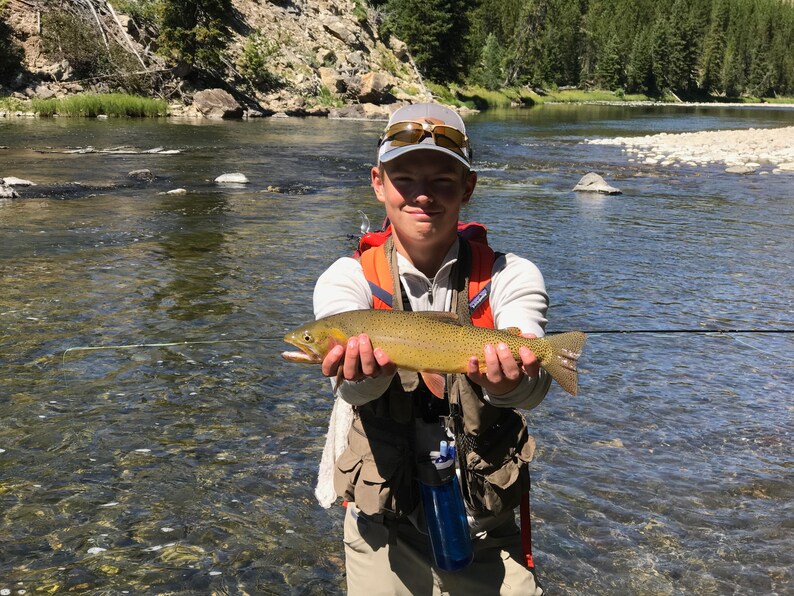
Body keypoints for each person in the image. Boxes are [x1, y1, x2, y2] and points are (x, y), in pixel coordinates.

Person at [312, 102, 549, 595]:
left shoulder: (512, 275)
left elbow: (532, 385)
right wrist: (362, 375)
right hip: (384, 528)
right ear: (378, 183)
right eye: (404, 179)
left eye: (443, 181)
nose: (423, 195)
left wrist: (513, 382)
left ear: (468, 188)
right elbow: (351, 394)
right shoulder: (346, 280)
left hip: (488, 525)